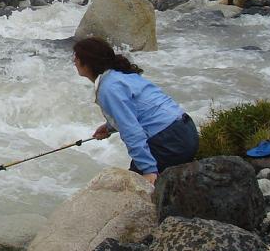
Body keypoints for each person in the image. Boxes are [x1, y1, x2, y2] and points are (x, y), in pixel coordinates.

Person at [72, 36, 197, 184]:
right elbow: (142, 111)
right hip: (187, 131)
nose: (74, 61)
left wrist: (148, 170)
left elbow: (131, 129)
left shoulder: (108, 88)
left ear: (88, 63)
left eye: (77, 58)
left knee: (132, 193)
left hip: (169, 142)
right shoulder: (119, 75)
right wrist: (109, 127)